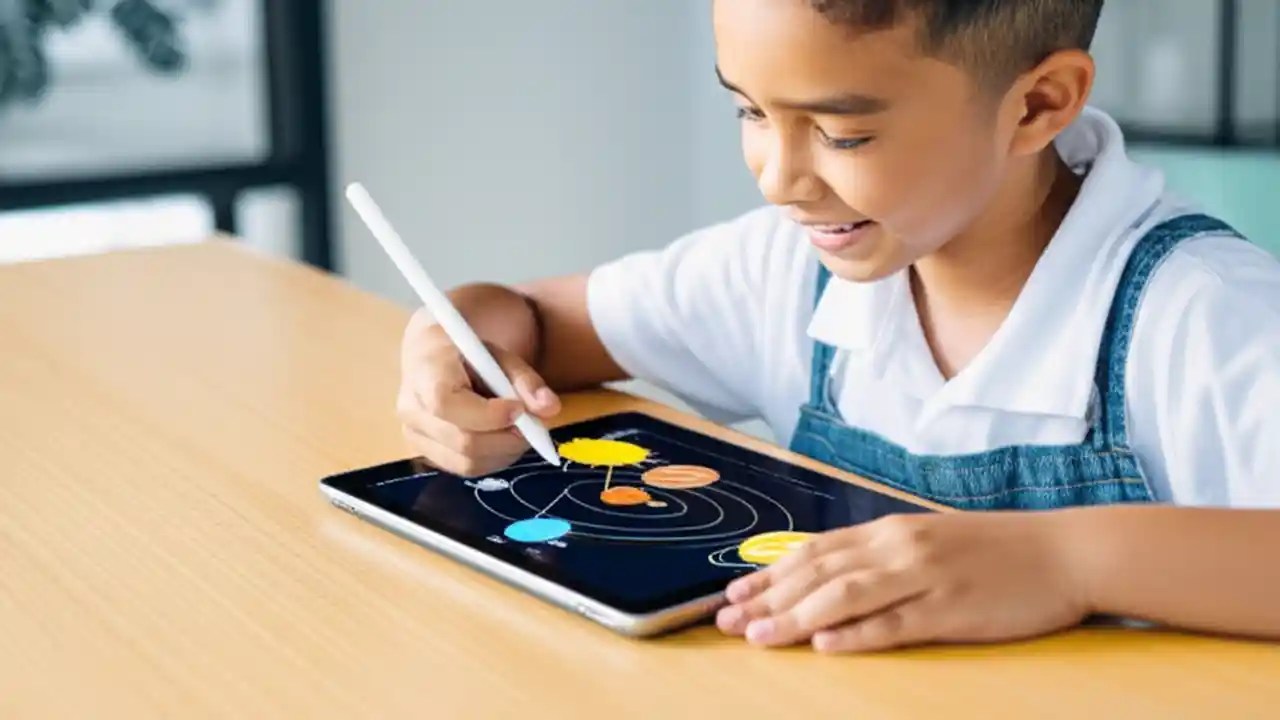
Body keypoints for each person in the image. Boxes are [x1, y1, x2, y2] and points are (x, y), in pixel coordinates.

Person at [396, 0, 1280, 652]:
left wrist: (1064, 561)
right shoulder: (787, 270)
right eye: (749, 111)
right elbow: (537, 320)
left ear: (1039, 105)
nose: (777, 178)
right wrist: (453, 347)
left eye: (841, 134)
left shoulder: (1205, 314)